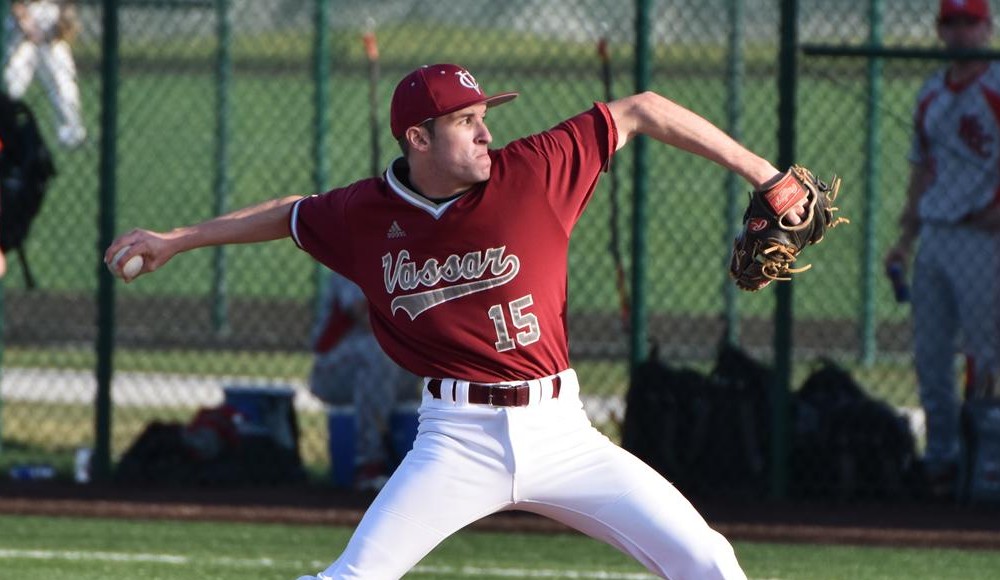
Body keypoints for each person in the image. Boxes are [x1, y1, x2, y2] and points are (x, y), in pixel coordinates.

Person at [107, 62, 811, 580]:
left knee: (707, 561)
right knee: (352, 577)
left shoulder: (534, 172)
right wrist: (177, 239)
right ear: (418, 137)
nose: (486, 132)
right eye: (466, 122)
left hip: (562, 433)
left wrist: (766, 175)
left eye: (483, 116)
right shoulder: (365, 214)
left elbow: (642, 109)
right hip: (456, 440)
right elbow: (291, 214)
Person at [884, 0, 1000, 497]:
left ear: (987, 27)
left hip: (984, 238)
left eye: (968, 22)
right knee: (931, 358)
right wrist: (904, 241)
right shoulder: (931, 92)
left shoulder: (996, 86)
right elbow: (920, 171)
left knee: (987, 358)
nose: (959, 32)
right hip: (935, 234)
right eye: (950, 23)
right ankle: (942, 460)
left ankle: (990, 463)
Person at [309, 268, 418, 491]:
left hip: (393, 369)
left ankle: (435, 467)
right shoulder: (352, 258)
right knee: (378, 352)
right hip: (332, 372)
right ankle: (369, 464)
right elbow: (365, 317)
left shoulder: (413, 262)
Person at [4, 0, 86, 148]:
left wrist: (65, 18)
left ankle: (72, 135)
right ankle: (5, 131)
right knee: (11, 83)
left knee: (64, 85)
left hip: (52, 32)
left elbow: (67, 8)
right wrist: (26, 22)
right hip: (23, 34)